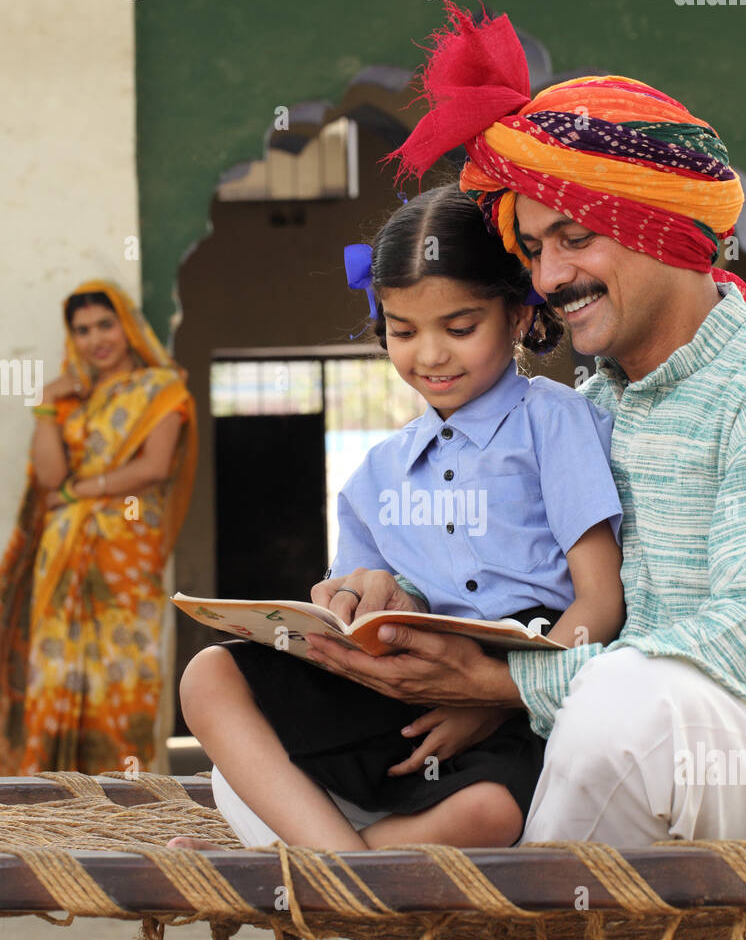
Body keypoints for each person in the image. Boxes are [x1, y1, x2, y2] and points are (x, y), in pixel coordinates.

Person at [300, 3, 746, 846]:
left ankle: (487, 878)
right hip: (597, 742)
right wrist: (394, 605)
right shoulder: (587, 405)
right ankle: (380, 851)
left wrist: (499, 688)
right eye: (531, 249)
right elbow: (522, 588)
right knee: (274, 709)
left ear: (661, 226)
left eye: (573, 238)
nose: (550, 276)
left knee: (622, 693)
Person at [174, 184, 624, 851]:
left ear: (521, 313)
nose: (430, 355)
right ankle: (349, 862)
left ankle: (304, 858)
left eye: (459, 328)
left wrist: (508, 692)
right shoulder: (377, 473)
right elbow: (360, 596)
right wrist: (356, 599)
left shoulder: (555, 424)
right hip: (396, 691)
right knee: (207, 677)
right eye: (403, 331)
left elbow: (601, 598)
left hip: (513, 693)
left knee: (489, 816)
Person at [0, 280, 197, 775]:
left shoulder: (163, 389)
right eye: (82, 330)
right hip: (61, 551)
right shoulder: (74, 399)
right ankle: (46, 789)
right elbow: (49, 479)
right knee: (56, 667)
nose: (96, 339)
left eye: (105, 324)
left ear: (127, 326)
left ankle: (123, 797)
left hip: (125, 547)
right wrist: (46, 402)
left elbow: (153, 467)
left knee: (121, 668)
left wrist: (82, 491)